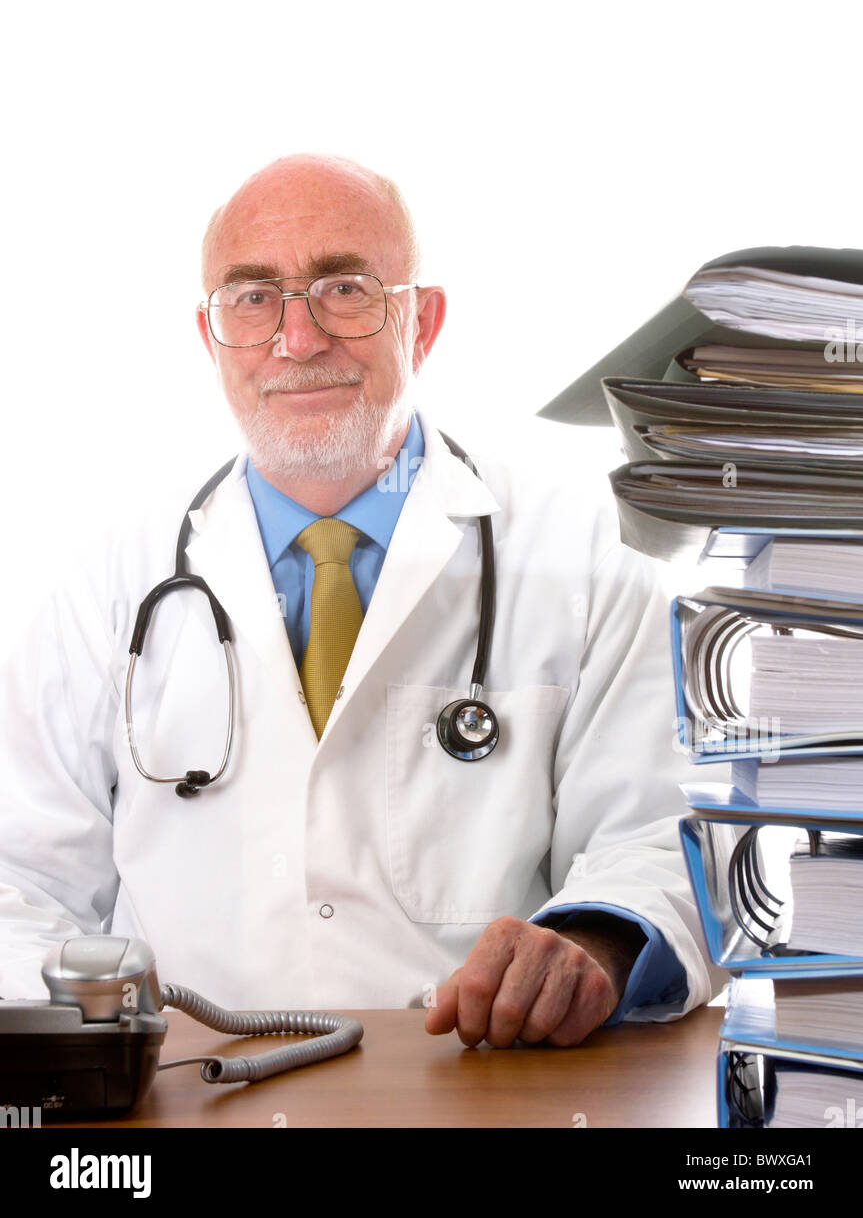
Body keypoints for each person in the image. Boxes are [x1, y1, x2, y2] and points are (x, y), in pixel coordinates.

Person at [0, 154, 716, 1049]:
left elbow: (661, 834)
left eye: (344, 289)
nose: (296, 341)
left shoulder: (585, 562)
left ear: (422, 322)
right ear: (210, 334)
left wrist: (594, 941)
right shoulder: (109, 583)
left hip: (475, 1091)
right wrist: (74, 1046)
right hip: (191, 1095)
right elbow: (19, 876)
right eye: (252, 298)